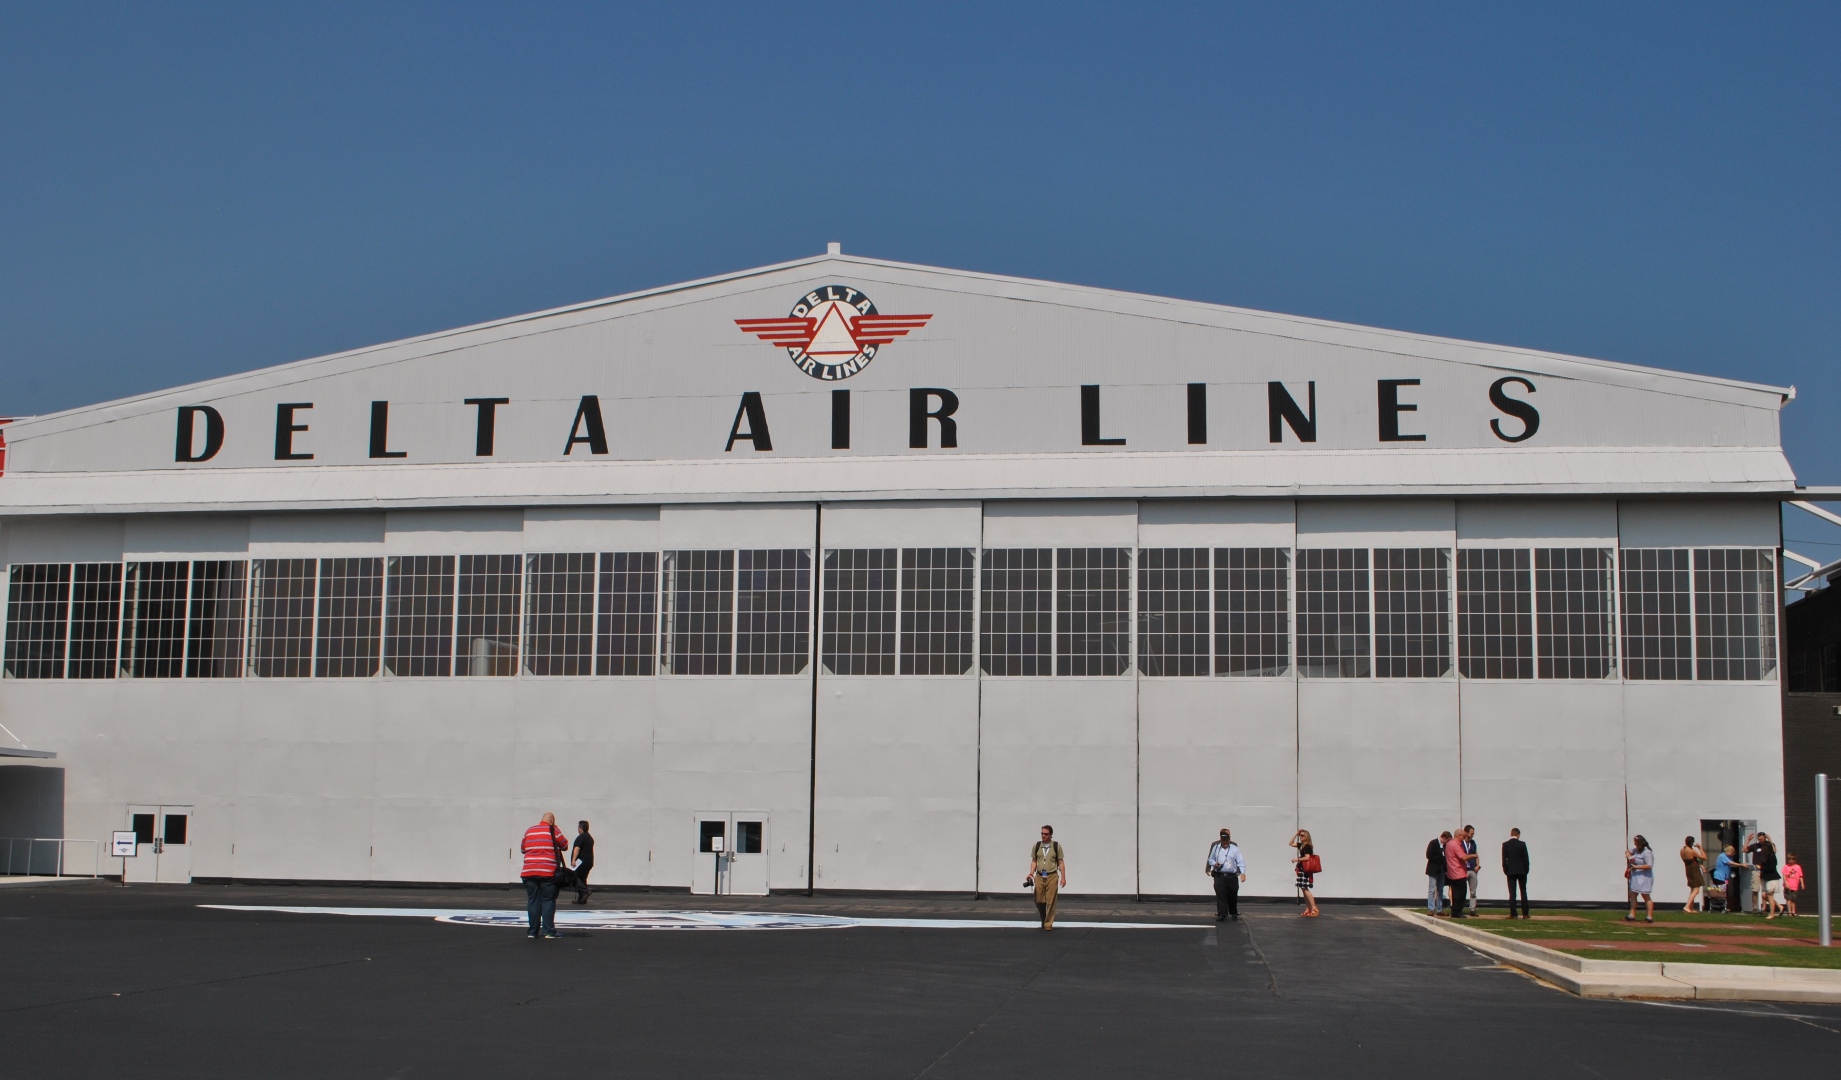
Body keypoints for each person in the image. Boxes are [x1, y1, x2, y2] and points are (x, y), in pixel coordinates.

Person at [520, 811, 569, 939]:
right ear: (552, 821)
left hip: (529, 872)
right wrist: (556, 829)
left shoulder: (529, 830)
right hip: (547, 872)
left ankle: (532, 932)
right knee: (548, 900)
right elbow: (565, 845)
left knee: (533, 901)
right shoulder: (554, 831)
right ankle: (549, 931)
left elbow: (523, 849)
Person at [1026, 825, 1066, 931]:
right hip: (1039, 875)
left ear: (1051, 835)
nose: (1043, 836)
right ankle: (1043, 918)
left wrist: (1063, 877)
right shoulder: (1037, 846)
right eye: (1042, 833)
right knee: (1039, 899)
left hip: (1052, 875)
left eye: (1046, 834)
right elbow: (1034, 860)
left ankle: (1048, 924)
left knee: (1051, 900)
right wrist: (1031, 873)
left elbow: (1061, 862)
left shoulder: (1056, 846)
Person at [1204, 828, 1247, 922]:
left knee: (1232, 894)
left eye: (1227, 840)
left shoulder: (1234, 848)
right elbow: (1210, 859)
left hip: (1231, 875)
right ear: (1221, 840)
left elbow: (1240, 861)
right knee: (1220, 894)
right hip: (1219, 875)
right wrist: (1213, 865)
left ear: (1229, 840)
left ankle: (1233, 912)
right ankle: (1222, 914)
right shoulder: (1216, 847)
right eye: (1223, 841)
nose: (1225, 843)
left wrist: (1242, 873)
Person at [1625, 835, 1655, 922]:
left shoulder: (1647, 852)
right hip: (1636, 876)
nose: (1635, 846)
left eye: (1637, 844)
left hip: (1644, 877)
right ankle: (1632, 914)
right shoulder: (1637, 851)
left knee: (1645, 895)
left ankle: (1649, 917)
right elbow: (1628, 851)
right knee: (1633, 894)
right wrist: (1628, 854)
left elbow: (1649, 865)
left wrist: (1637, 867)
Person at [1501, 828, 1530, 919]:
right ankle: (1525, 913)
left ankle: (1513, 913)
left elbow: (1504, 860)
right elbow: (1526, 859)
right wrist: (1526, 870)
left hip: (1511, 871)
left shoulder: (1505, 845)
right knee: (1523, 891)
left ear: (1511, 834)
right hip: (1521, 871)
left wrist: (1506, 870)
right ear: (1518, 835)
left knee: (1512, 893)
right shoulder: (1522, 844)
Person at [1751, 832, 1781, 918]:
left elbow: (1771, 868)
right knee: (1764, 895)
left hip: (1772, 878)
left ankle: (1772, 914)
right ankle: (1779, 906)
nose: (1762, 849)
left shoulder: (1771, 856)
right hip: (1766, 877)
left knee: (1770, 896)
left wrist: (1761, 868)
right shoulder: (1766, 857)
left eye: (1764, 847)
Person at [1290, 829, 1319, 917]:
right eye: (1300, 836)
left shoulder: (1307, 846)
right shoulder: (1301, 845)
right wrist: (1296, 833)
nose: (1301, 837)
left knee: (1305, 888)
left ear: (1307, 837)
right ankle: (1308, 908)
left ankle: (1314, 908)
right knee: (1303, 889)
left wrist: (1297, 859)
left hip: (1305, 870)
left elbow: (1307, 858)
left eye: (1302, 835)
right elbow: (1290, 843)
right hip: (1301, 869)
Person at [1443, 828, 1470, 918]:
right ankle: (1457, 911)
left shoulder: (1449, 844)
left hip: (1452, 872)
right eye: (1463, 836)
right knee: (1460, 894)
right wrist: (1473, 855)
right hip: (1458, 873)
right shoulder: (1455, 844)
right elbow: (1463, 857)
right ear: (1459, 836)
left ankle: (1454, 911)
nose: (1464, 838)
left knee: (1455, 894)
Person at [1426, 831, 1451, 915]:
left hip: (1441, 870)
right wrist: (1440, 858)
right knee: (1432, 889)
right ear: (1443, 838)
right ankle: (1431, 908)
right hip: (1433, 870)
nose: (1447, 843)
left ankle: (1440, 909)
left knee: (1440, 890)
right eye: (1447, 840)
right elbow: (1428, 855)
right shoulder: (1433, 843)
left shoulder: (1445, 846)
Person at [570, 820, 595, 905]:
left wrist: (573, 860)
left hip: (581, 862)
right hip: (589, 861)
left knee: (574, 877)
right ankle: (582, 898)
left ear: (580, 828)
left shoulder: (581, 837)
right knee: (582, 878)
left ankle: (585, 891)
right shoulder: (590, 838)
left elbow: (577, 848)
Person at [1680, 836, 1707, 913]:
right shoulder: (1691, 851)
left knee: (1692, 888)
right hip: (1694, 869)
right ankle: (1687, 907)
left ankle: (1691, 908)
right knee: (1696, 889)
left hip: (1688, 869)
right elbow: (1704, 858)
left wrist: (1700, 865)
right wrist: (1700, 848)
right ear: (1692, 842)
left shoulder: (1682, 850)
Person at [1462, 825, 1480, 914]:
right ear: (1466, 832)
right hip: (1463, 869)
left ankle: (1472, 909)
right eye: (1471, 833)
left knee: (1473, 891)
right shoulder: (1461, 843)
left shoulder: (1473, 843)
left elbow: (1476, 854)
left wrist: (1477, 865)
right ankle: (1460, 907)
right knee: (1461, 890)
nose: (1473, 835)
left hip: (1472, 869)